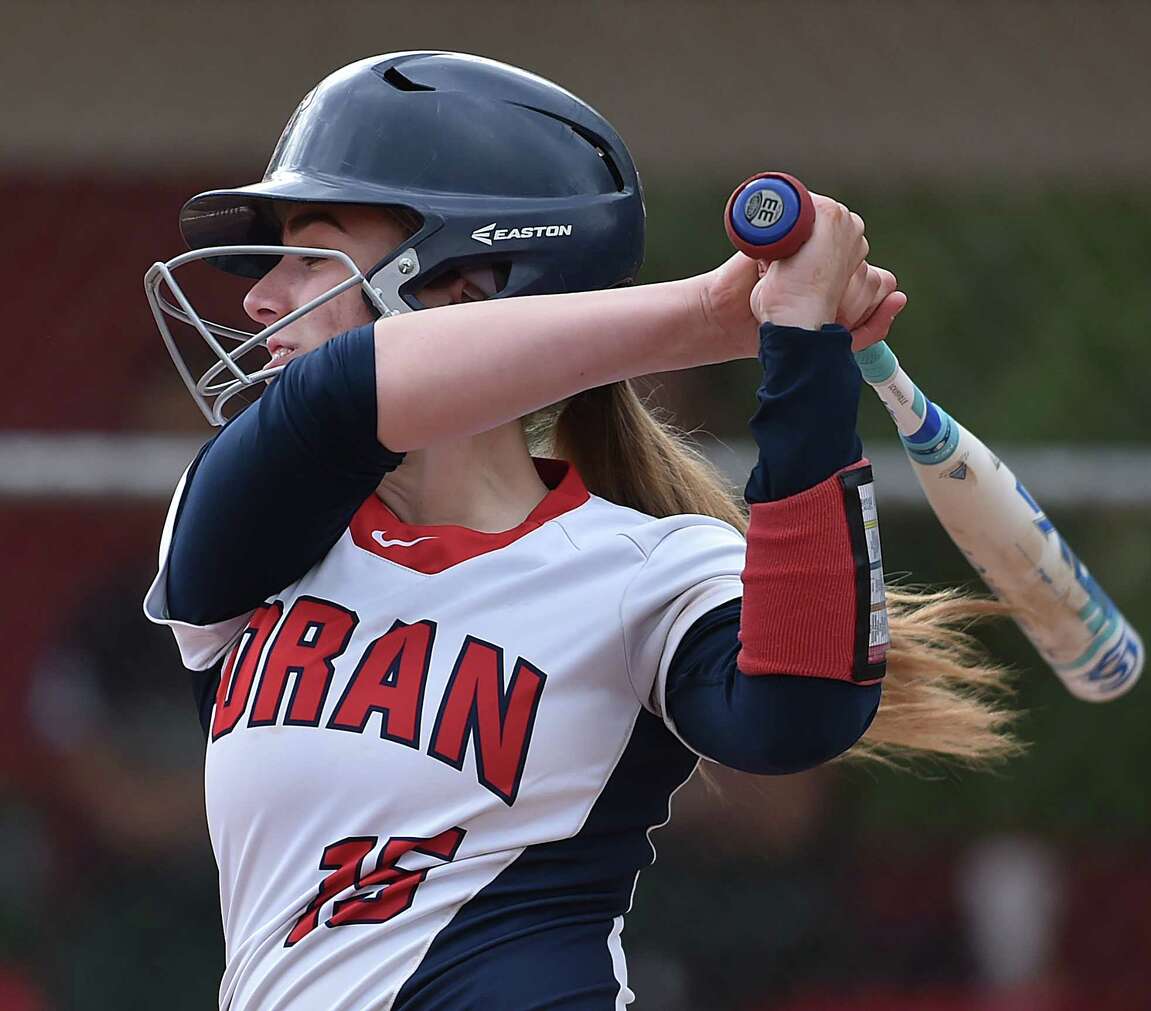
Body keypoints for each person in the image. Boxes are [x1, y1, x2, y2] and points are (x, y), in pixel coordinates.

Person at [144, 51, 1017, 1011]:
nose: (259, 301)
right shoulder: (243, 533)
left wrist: (802, 356)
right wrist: (709, 313)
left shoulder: (646, 570)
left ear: (470, 284)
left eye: (312, 252)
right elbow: (338, 400)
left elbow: (798, 715)